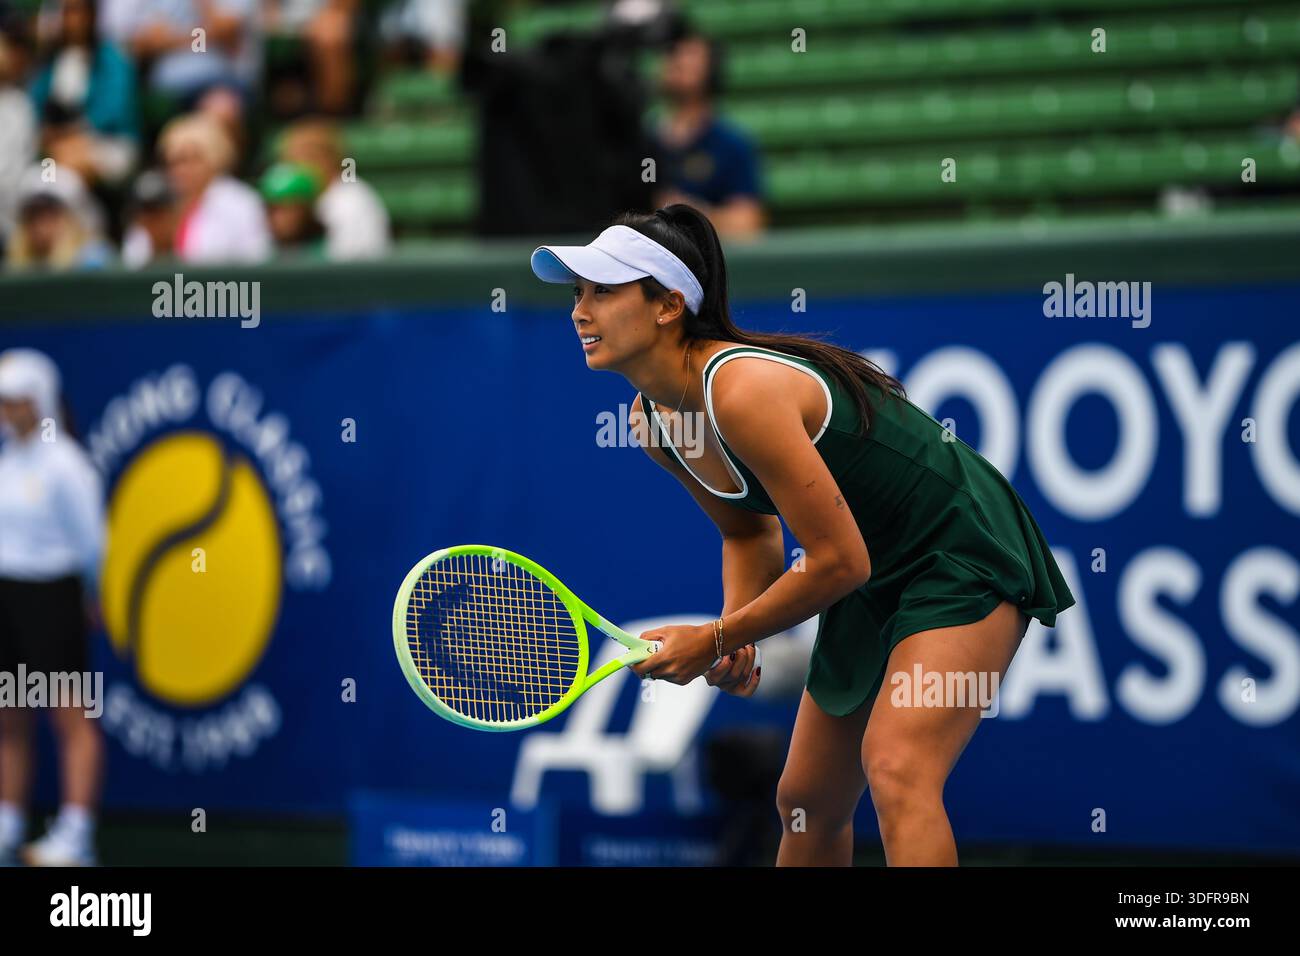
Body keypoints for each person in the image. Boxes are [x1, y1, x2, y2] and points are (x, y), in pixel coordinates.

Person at [528, 205, 1076, 866]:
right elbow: (748, 532)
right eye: (578, 294)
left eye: (603, 291)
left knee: (899, 767)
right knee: (806, 799)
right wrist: (736, 635)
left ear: (669, 305)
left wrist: (717, 637)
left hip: (957, 548)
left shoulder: (741, 390)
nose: (579, 311)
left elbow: (839, 561)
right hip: (872, 573)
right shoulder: (653, 422)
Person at [0, 348, 106, 867]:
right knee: (10, 715)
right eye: (3, 402)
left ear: (38, 401)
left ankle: (76, 833)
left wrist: (94, 592)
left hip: (55, 599)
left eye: (16, 401)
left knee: (71, 717)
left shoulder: (66, 464)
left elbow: (93, 542)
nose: (8, 411)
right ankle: (8, 822)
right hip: (8, 600)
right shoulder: (5, 460)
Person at [653, 29, 765, 238]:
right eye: (673, 52)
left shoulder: (731, 143)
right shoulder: (643, 140)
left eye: (690, 54)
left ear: (711, 69)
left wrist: (687, 214)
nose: (677, 59)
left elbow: (748, 223)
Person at [29, 0, 139, 188]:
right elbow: (35, 104)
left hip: (109, 141)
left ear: (91, 16)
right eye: (66, 12)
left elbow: (114, 109)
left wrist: (72, 132)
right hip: (58, 143)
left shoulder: (112, 59)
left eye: (77, 12)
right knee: (40, 173)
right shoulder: (51, 61)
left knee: (64, 167)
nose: (72, 20)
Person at [159, 111, 270, 262]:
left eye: (191, 160)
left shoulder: (241, 202)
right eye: (174, 162)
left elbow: (257, 258)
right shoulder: (162, 201)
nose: (180, 170)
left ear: (214, 158)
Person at [278, 118, 389, 260]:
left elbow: (343, 268)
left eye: (297, 159)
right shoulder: (304, 200)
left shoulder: (352, 202)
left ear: (326, 159)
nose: (291, 169)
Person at [4, 163, 112, 271]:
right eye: (33, 216)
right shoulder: (14, 265)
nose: (41, 226)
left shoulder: (93, 259)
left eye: (51, 216)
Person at [258, 160, 325, 255]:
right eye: (274, 208)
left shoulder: (332, 251)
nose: (281, 218)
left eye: (290, 207)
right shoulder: (260, 253)